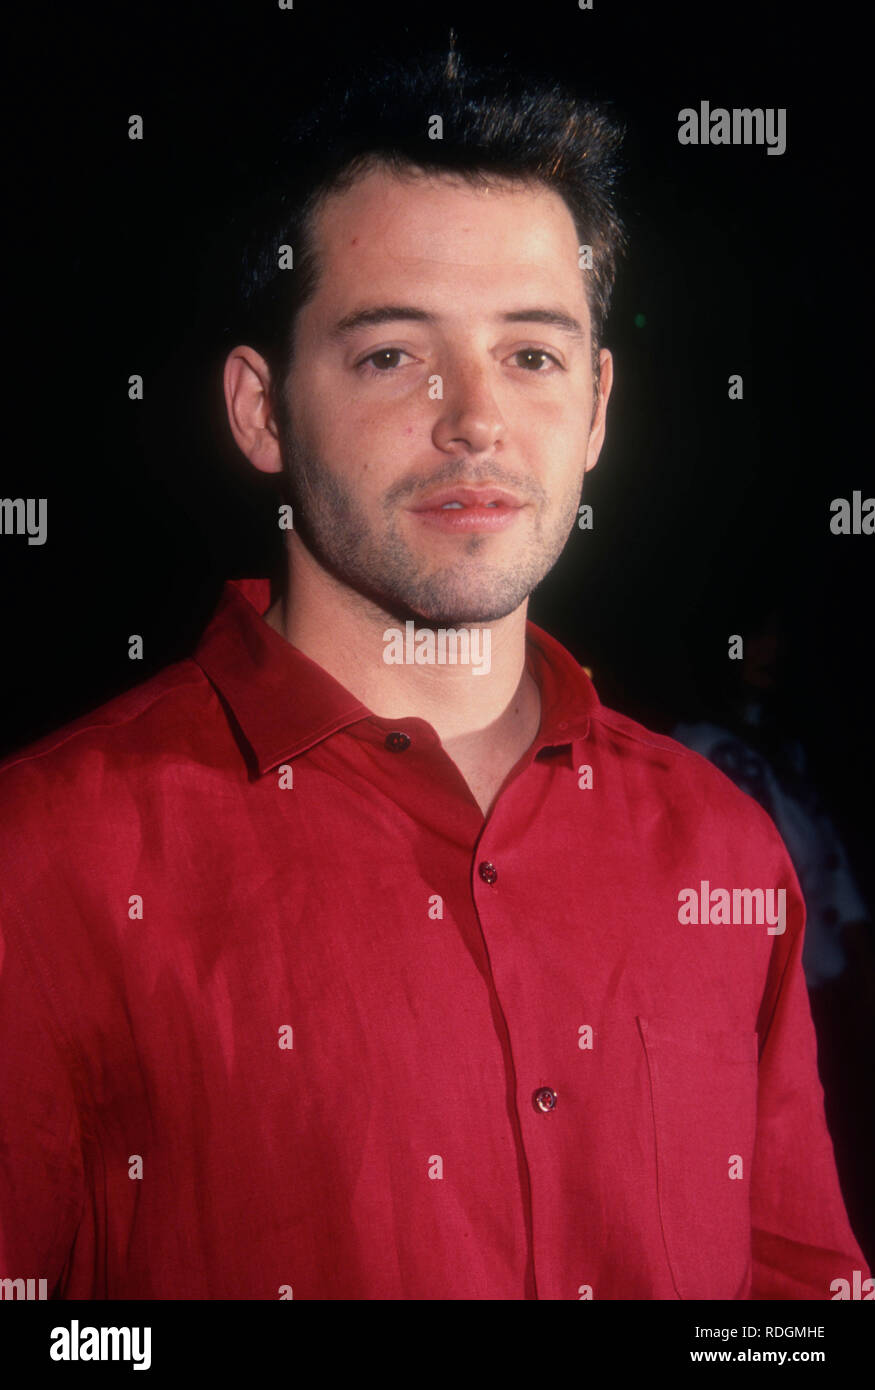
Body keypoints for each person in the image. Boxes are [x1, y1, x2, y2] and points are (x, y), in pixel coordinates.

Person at [0, 42, 869, 1301]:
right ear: (260, 411)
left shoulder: (721, 852)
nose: (475, 417)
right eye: (390, 354)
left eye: (530, 354)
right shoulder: (47, 858)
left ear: (596, 410)